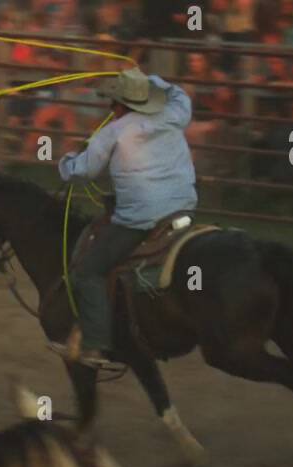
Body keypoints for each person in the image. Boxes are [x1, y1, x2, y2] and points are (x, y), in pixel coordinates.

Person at [57, 68, 197, 368]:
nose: (111, 108)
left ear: (120, 105)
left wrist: (65, 162)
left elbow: (85, 171)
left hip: (141, 218)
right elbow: (180, 93)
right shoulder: (173, 114)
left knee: (88, 272)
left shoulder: (112, 132)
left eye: (113, 103)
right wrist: (153, 80)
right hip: (183, 208)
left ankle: (95, 345)